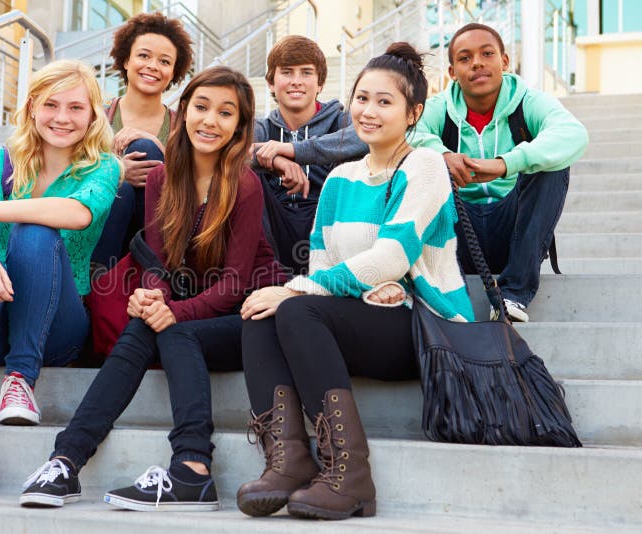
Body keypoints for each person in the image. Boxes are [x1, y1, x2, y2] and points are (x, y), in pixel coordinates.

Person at [20, 66, 287, 511]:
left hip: (247, 315)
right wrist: (152, 294)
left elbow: (236, 283)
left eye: (226, 113)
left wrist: (175, 312)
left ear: (240, 127)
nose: (210, 121)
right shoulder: (163, 179)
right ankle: (66, 462)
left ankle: (193, 466)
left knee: (171, 329)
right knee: (145, 324)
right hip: (188, 308)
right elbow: (158, 261)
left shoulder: (244, 183)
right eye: (201, 107)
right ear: (183, 113)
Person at [237, 43, 475, 521]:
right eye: (362, 99)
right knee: (261, 315)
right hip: (367, 315)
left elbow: (392, 255)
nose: (368, 111)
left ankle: (350, 475)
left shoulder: (424, 167)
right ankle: (288, 460)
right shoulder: (341, 178)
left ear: (414, 113)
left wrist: (300, 288)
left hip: (426, 327)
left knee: (295, 303)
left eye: (385, 102)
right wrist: (354, 288)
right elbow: (326, 267)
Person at [0, 60, 121, 499]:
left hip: (58, 323)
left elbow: (76, 213)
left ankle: (21, 379)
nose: (62, 117)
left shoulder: (103, 168)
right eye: (51, 104)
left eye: (76, 107)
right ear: (32, 107)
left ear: (94, 114)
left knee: (35, 234)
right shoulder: (2, 160)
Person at [411, 22, 588, 322]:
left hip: (513, 234)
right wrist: (441, 155)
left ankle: (513, 294)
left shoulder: (527, 101)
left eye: (487, 53)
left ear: (504, 62)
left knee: (552, 166)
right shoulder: (439, 108)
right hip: (457, 237)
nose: (477, 62)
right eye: (465, 58)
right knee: (420, 166)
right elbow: (405, 134)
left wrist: (506, 163)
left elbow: (573, 134)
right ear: (452, 72)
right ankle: (435, 290)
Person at [249, 35, 367, 274]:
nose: (296, 81)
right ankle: (268, 275)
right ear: (271, 83)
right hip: (274, 222)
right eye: (287, 72)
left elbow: (364, 137)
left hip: (329, 217)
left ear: (320, 83)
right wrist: (275, 160)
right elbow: (230, 153)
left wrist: (294, 150)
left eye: (306, 73)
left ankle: (339, 274)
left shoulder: (340, 120)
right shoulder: (262, 128)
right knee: (244, 176)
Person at [91, 11, 193, 267]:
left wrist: (157, 146)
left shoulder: (184, 125)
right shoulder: (95, 118)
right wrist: (116, 170)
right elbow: (69, 174)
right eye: (144, 55)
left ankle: (159, 277)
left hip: (160, 234)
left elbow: (196, 185)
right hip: (101, 232)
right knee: (121, 189)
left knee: (145, 147)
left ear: (174, 71)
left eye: (164, 61)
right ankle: (100, 286)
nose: (152, 66)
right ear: (126, 60)